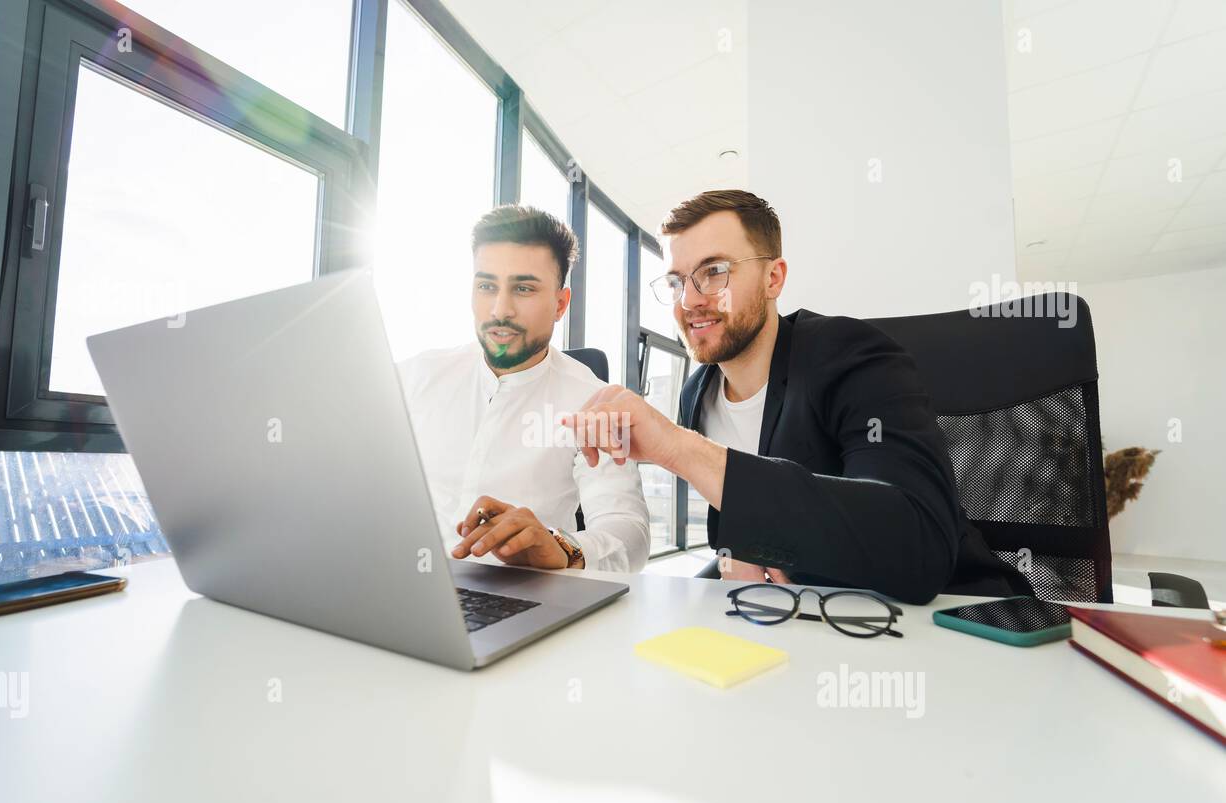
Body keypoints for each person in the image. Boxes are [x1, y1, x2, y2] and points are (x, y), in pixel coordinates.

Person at [561, 189, 1033, 603]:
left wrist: (680, 448)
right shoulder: (696, 393)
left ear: (774, 278)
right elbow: (744, 539)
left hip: (951, 621)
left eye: (715, 272)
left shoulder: (852, 357)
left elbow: (916, 545)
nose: (690, 301)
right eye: (677, 281)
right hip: (801, 627)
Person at [398, 204, 650, 573]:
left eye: (524, 288)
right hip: (406, 585)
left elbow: (630, 532)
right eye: (487, 286)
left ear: (560, 304)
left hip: (523, 595)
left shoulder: (594, 402)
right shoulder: (417, 375)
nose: (501, 309)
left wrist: (563, 547)